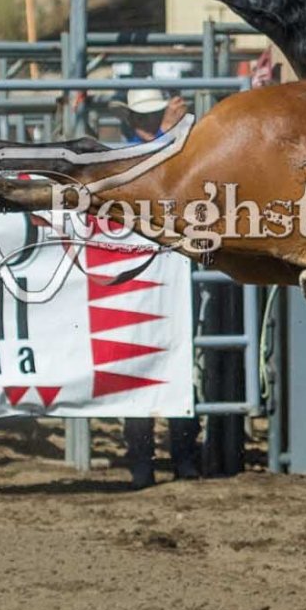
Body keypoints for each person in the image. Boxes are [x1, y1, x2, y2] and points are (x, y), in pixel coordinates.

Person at [116, 88, 201, 487]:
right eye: (150, 119)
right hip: (138, 273)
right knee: (141, 366)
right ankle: (144, 462)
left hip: (171, 269)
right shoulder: (129, 153)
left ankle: (181, 458)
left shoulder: (176, 146)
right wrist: (169, 133)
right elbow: (146, 175)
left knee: (180, 363)